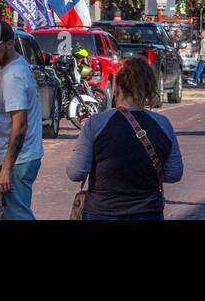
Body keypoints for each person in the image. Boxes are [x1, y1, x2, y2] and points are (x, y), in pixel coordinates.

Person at [66, 55, 183, 219]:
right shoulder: (163, 124)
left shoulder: (96, 123)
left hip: (102, 211)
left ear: (117, 88)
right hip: (148, 212)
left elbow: (76, 172)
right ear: (149, 90)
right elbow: (174, 173)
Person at [0, 20, 43, 220]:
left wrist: (6, 168)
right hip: (20, 158)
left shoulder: (12, 76)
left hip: (18, 160)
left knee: (17, 214)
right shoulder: (13, 67)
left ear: (9, 43)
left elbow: (20, 123)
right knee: (11, 213)